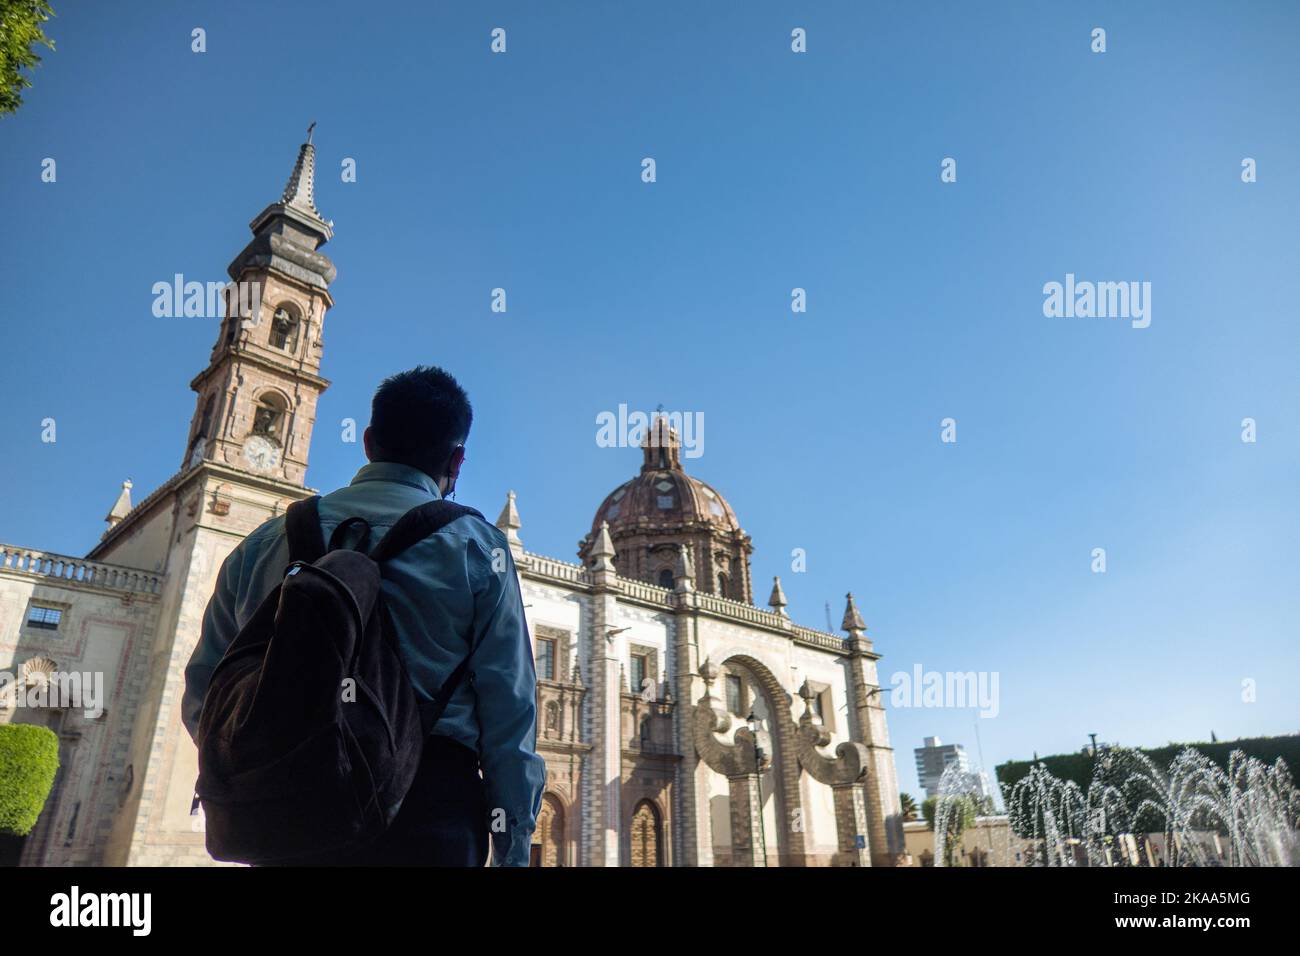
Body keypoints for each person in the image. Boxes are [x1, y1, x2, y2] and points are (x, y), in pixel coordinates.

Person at [182, 365, 545, 866]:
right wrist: (513, 848)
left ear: (369, 442)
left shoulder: (263, 544)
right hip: (429, 816)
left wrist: (255, 772)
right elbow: (510, 715)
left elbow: (206, 690)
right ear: (457, 461)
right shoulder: (480, 550)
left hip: (289, 816)